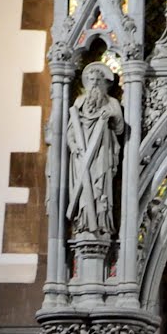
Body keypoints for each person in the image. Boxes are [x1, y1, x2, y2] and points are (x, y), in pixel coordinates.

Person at [66, 62, 124, 238]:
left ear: (104, 83)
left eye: (98, 80)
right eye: (91, 80)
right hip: (82, 154)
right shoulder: (79, 102)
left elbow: (120, 128)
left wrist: (113, 115)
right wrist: (73, 145)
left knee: (100, 186)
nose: (94, 84)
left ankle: (101, 221)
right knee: (84, 189)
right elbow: (70, 131)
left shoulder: (112, 102)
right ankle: (83, 222)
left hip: (102, 152)